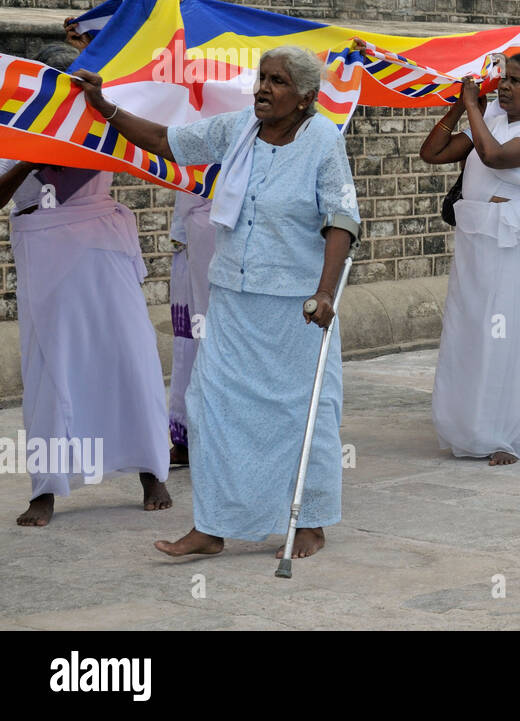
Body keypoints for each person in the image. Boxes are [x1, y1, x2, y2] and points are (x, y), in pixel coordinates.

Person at [74, 45, 360, 559]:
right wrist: (105, 107)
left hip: (294, 306)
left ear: (304, 97)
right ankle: (213, 525)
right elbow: (165, 141)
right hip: (232, 295)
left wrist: (324, 291)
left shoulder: (322, 141)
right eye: (262, 77)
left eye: (277, 81)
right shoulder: (238, 129)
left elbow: (341, 218)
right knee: (209, 406)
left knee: (303, 411)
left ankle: (310, 522)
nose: (263, 88)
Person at [4, 42, 171, 527]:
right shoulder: (13, 125)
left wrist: (104, 109)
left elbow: (158, 144)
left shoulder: (104, 116)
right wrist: (31, 157)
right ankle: (46, 489)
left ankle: (152, 471)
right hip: (45, 252)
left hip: (102, 247)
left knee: (130, 355)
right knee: (50, 366)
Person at [421, 53, 520, 465]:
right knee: (470, 329)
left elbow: (495, 157)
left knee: (507, 331)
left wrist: (472, 108)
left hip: (515, 240)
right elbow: (433, 152)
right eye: (503, 79)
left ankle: (505, 435)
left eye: (515, 81)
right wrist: (458, 107)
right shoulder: (491, 122)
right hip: (477, 239)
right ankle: (466, 427)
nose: (504, 86)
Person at [166, 192, 216, 465]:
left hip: (214, 233)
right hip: (189, 235)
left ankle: (212, 436)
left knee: (212, 344)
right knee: (187, 344)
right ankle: (185, 436)